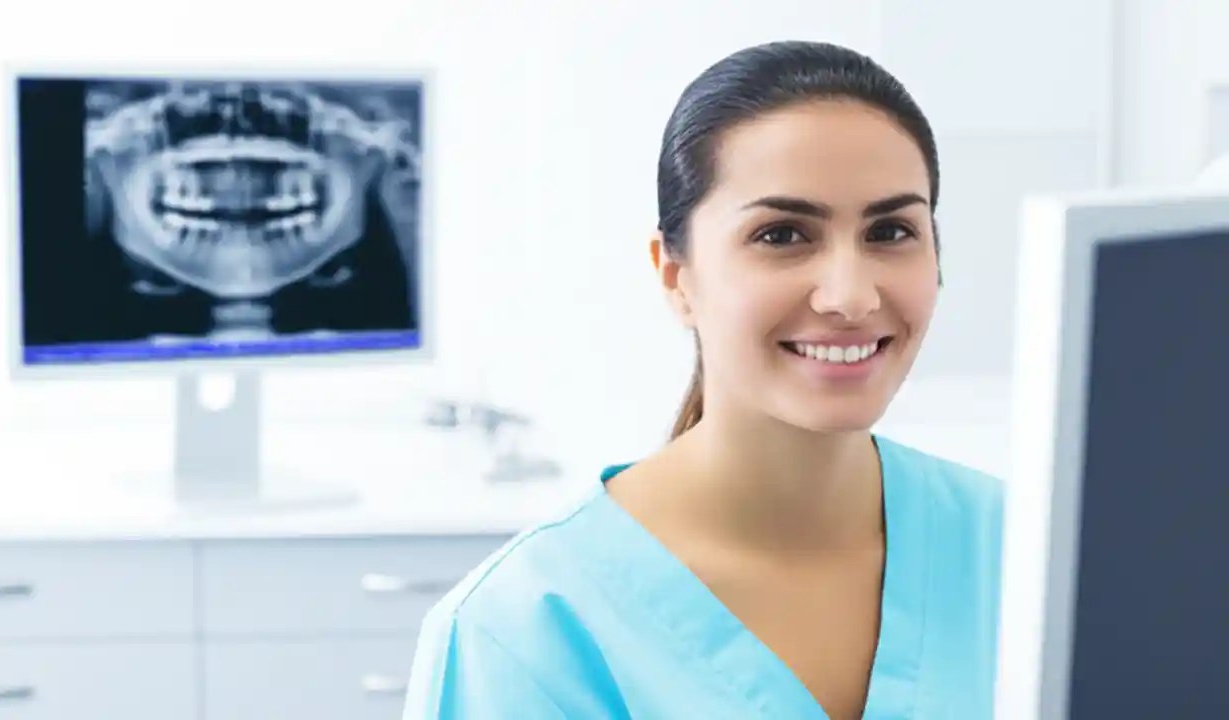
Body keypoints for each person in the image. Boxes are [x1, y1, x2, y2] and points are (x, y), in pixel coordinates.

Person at [402, 40, 1004, 720]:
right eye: (782, 235)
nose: (851, 296)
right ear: (674, 275)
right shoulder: (524, 631)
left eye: (891, 231)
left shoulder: (1030, 555)